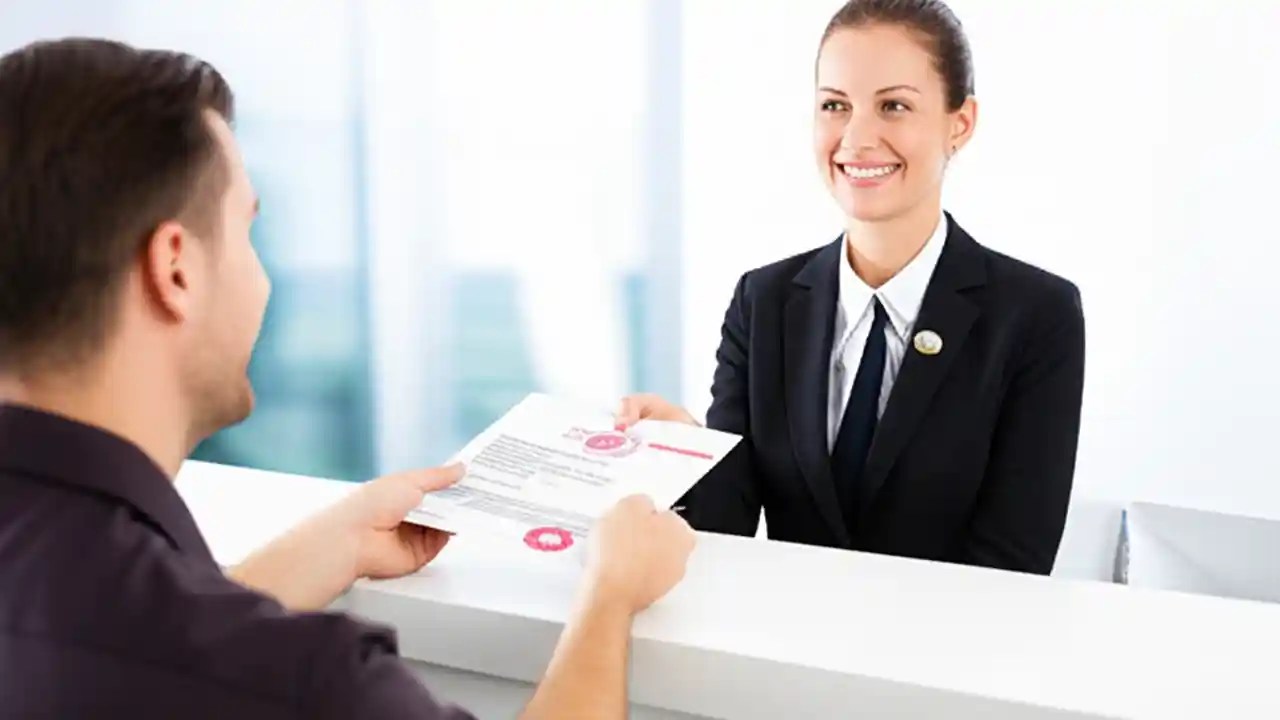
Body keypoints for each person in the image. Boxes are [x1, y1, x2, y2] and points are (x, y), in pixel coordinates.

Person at [0, 38, 694, 719]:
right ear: (175, 269)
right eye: (246, 230)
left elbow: (136, 644)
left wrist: (338, 541)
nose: (263, 276)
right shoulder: (307, 683)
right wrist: (611, 594)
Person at [617, 0, 1085, 576]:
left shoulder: (1036, 315)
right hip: (782, 647)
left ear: (958, 123)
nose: (857, 138)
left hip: (946, 657)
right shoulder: (763, 302)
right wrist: (684, 449)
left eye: (893, 106)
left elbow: (1015, 559)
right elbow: (729, 525)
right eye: (835, 106)